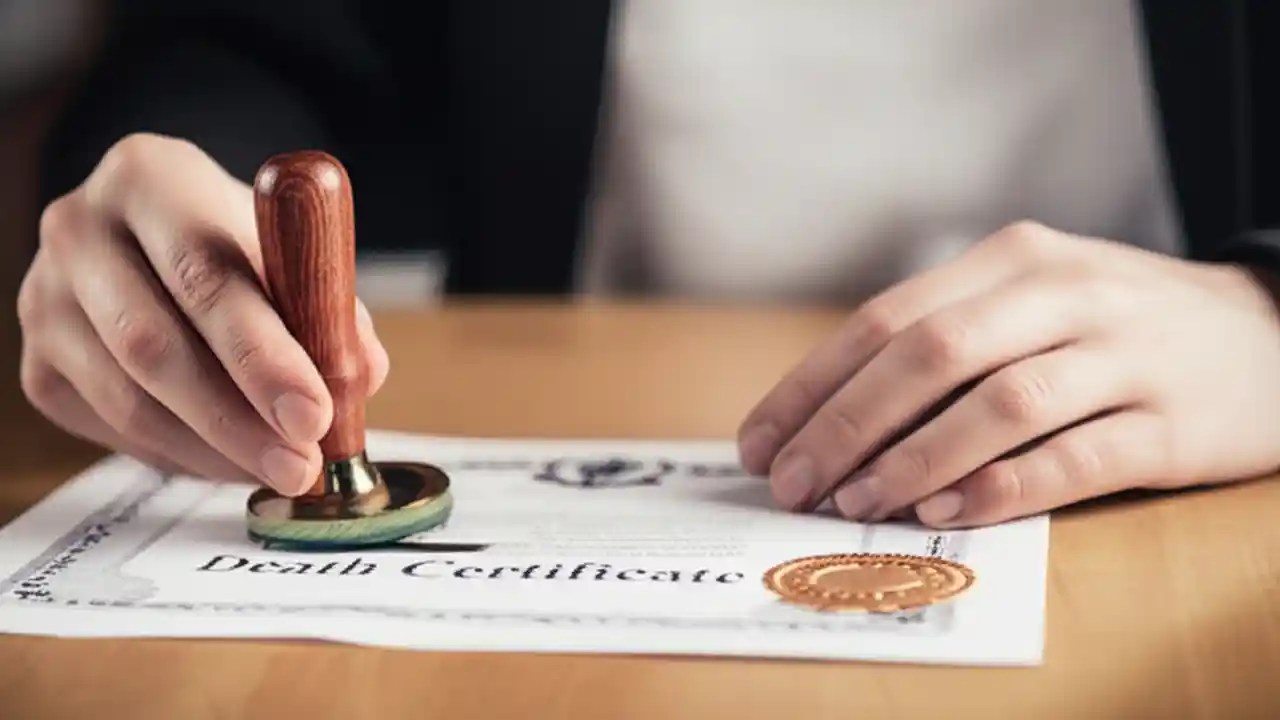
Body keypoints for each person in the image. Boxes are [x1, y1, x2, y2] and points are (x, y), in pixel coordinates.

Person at [18, 1, 1280, 529]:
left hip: (1184, 486)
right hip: (571, 402)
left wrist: (1262, 305)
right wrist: (159, 225)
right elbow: (240, 42)